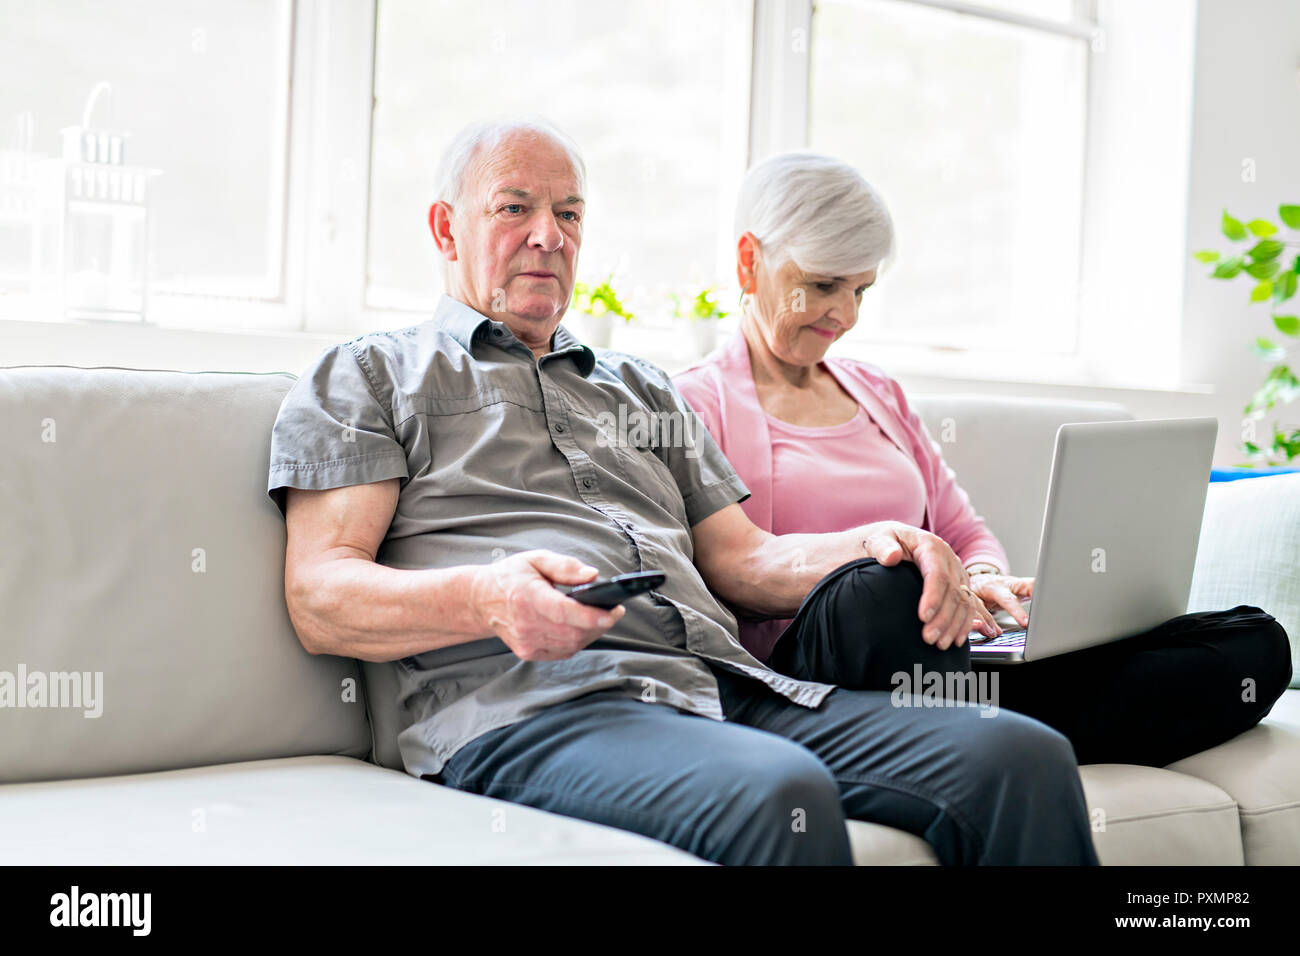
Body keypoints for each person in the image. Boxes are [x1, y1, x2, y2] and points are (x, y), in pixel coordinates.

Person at [267, 117, 1100, 866]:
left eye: (569, 214)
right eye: (513, 209)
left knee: (1016, 758)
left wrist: (882, 539)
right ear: (446, 228)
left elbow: (746, 561)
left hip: (722, 690)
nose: (548, 237)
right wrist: (488, 598)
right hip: (540, 711)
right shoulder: (370, 375)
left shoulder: (642, 389)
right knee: (778, 792)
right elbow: (320, 594)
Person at [672, 150, 1293, 769]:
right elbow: (731, 572)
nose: (847, 314)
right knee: (881, 587)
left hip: (947, 665)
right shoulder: (694, 401)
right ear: (751, 262)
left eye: (862, 289)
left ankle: (1003, 733)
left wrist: (987, 580)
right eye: (826, 284)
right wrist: (900, 563)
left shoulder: (876, 392)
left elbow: (964, 532)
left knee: (1254, 640)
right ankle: (1035, 724)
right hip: (827, 667)